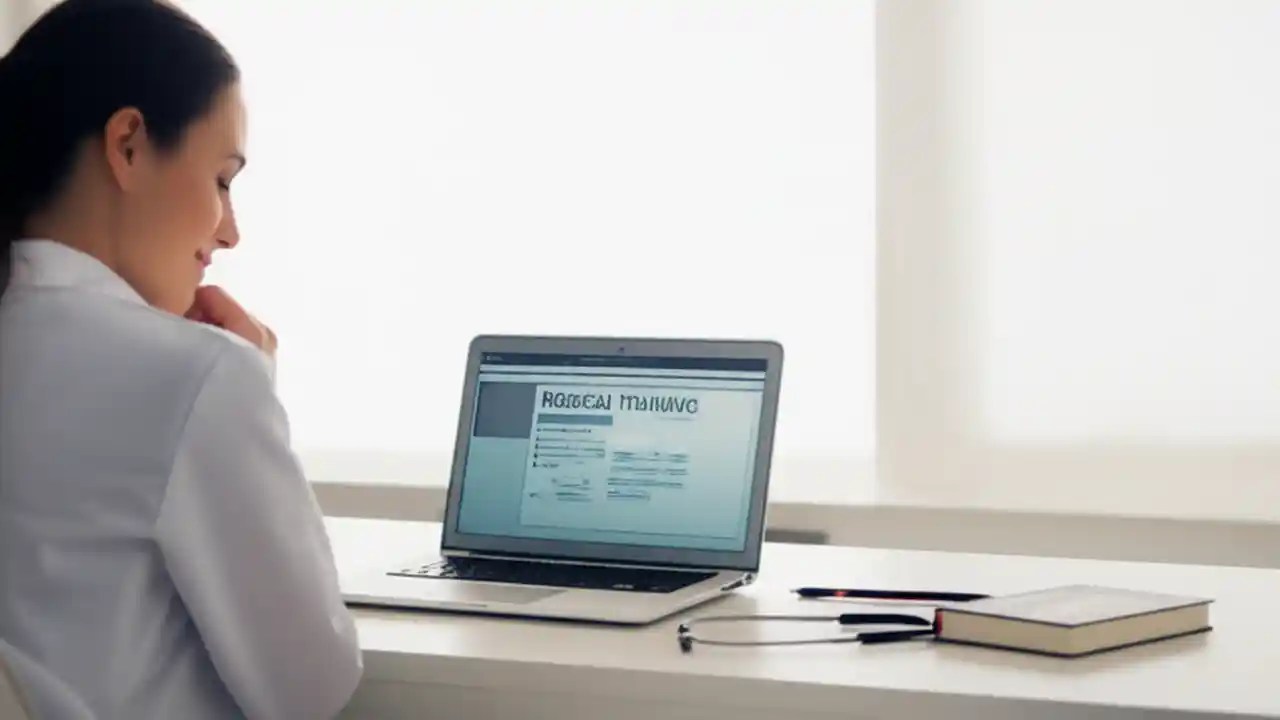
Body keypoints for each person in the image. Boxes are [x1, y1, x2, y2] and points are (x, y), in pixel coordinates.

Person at [0, 1, 363, 718]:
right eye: (223, 180)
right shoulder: (194, 376)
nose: (229, 232)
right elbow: (311, 690)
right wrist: (250, 384)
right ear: (129, 144)